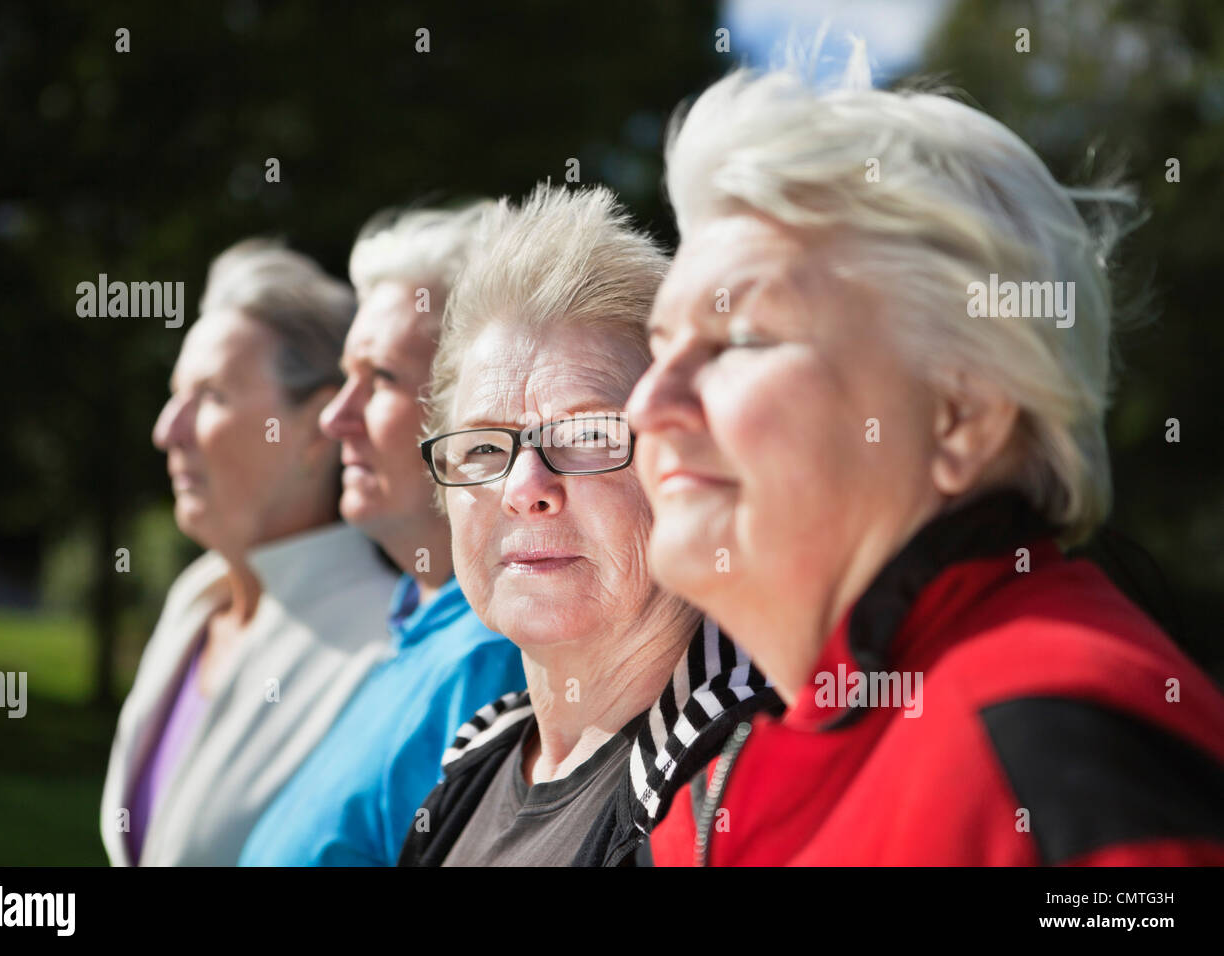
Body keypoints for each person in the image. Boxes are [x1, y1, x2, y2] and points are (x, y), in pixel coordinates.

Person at [627, 44, 1224, 866]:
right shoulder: (709, 799)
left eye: (740, 339)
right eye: (660, 347)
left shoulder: (1058, 746)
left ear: (961, 415)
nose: (646, 406)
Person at [397, 184, 782, 868]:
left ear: (684, 461)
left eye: (588, 435)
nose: (525, 489)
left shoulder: (745, 777)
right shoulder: (468, 771)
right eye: (484, 447)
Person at [239, 203, 527, 867]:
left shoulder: (489, 657)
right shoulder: (421, 623)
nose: (337, 417)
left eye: (383, 379)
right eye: (346, 376)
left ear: (479, 413)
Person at [100, 239, 400, 866]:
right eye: (175, 393)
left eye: (209, 396)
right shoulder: (196, 606)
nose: (167, 430)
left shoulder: (385, 648)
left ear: (319, 426)